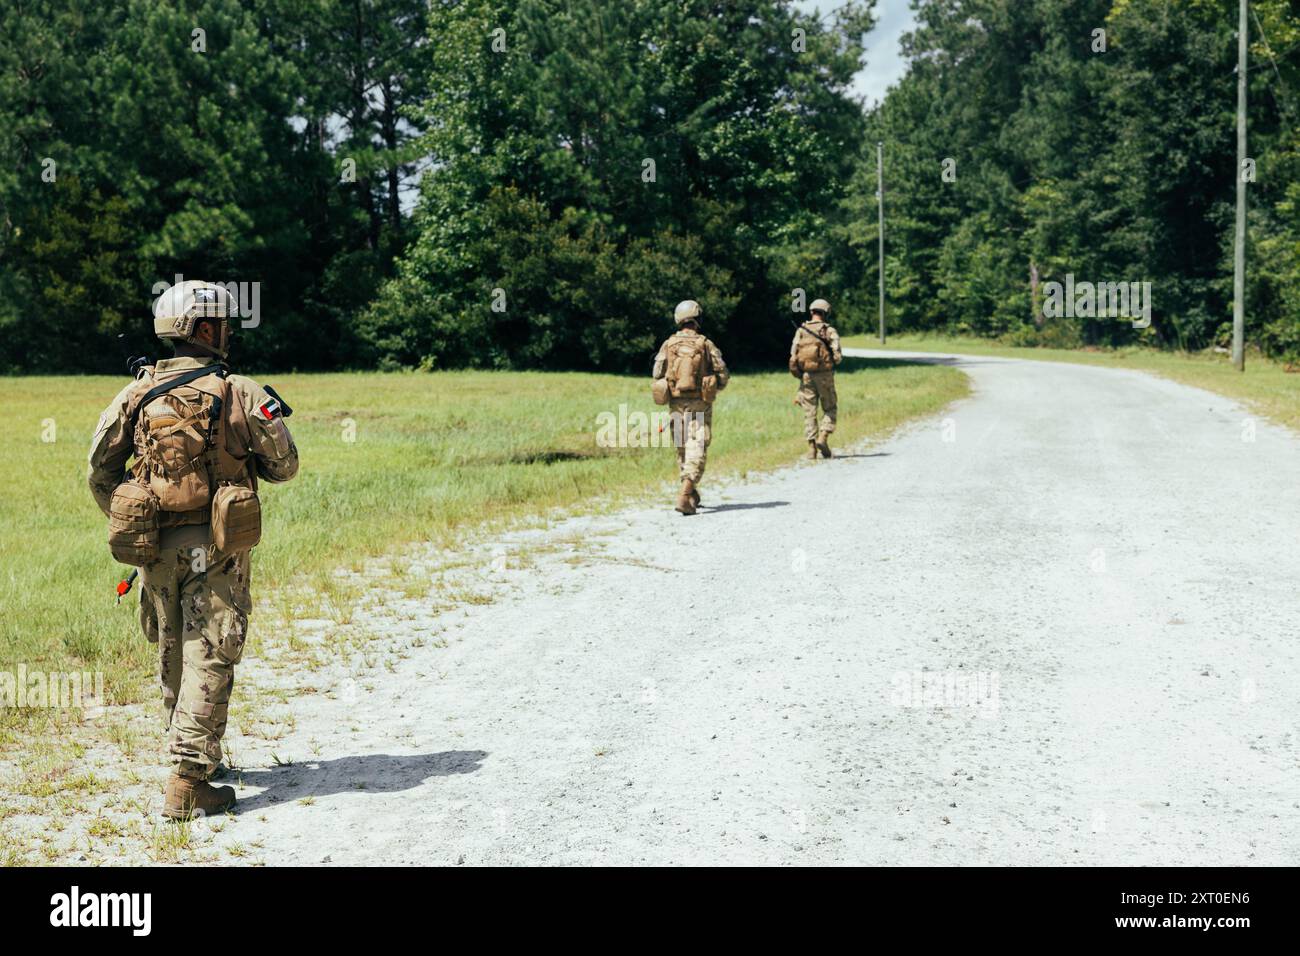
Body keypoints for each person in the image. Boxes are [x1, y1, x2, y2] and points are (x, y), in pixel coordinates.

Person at [88, 281, 299, 819]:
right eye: (223, 324)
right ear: (204, 329)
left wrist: (136, 516)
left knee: (172, 648)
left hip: (156, 548)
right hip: (218, 548)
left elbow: (99, 473)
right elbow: (284, 466)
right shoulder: (241, 392)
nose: (228, 333)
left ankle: (194, 754)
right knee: (211, 646)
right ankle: (187, 781)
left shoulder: (134, 394)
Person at [651, 300, 729, 515]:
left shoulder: (669, 344)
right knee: (698, 446)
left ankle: (691, 492)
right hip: (699, 402)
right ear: (697, 319)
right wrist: (715, 386)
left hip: (675, 403)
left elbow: (657, 372)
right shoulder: (705, 344)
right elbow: (722, 372)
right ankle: (685, 494)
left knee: (683, 446)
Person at [789, 298, 842, 459]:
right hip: (825, 376)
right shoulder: (829, 330)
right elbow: (838, 356)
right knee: (830, 408)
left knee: (809, 411)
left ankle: (811, 449)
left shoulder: (801, 330)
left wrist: (801, 372)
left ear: (811, 312)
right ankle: (823, 438)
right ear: (826, 313)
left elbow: (793, 355)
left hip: (806, 376)